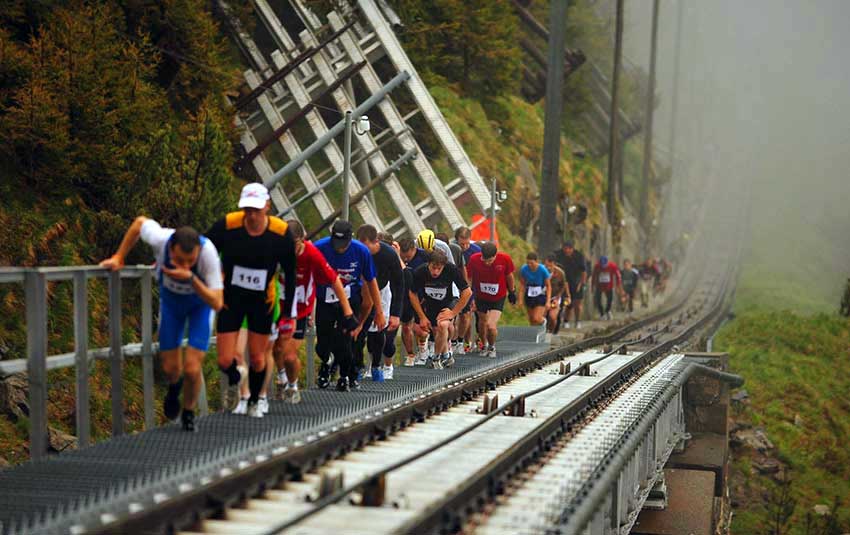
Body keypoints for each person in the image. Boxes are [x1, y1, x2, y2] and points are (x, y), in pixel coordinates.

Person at [100, 217, 223, 432]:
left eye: (190, 261)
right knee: (170, 367)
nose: (185, 266)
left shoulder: (207, 253)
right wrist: (119, 256)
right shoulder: (160, 238)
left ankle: (188, 412)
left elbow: (217, 301)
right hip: (172, 305)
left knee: (193, 368)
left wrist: (192, 279)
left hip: (200, 308)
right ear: (171, 247)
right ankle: (174, 387)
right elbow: (138, 223)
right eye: (179, 260)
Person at [205, 183, 297, 419]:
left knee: (257, 357)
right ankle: (241, 386)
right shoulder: (228, 225)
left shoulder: (280, 232)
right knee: (225, 359)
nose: (252, 215)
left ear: (267, 206)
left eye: (256, 209)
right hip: (231, 298)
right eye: (247, 209)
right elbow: (204, 250)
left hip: (261, 301)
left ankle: (255, 399)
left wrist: (288, 314)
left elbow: (289, 271)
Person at [270, 220, 355, 403]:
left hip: (300, 309)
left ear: (302, 240)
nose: (290, 250)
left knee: (290, 355)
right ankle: (282, 377)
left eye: (294, 245)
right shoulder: (276, 251)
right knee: (277, 349)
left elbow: (334, 280)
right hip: (279, 305)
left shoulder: (311, 253)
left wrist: (348, 312)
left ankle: (293, 386)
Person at [314, 220, 384, 391]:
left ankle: (346, 376)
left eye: (343, 245)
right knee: (322, 341)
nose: (340, 248)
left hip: (350, 300)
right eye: (337, 245)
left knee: (345, 340)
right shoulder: (320, 248)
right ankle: (327, 361)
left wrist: (379, 311)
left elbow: (371, 282)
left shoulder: (361, 252)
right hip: (326, 299)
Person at [355, 224, 404, 382]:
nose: (363, 250)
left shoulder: (388, 254)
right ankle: (357, 366)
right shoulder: (356, 251)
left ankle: (377, 365)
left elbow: (399, 283)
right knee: (358, 331)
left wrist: (396, 313)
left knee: (378, 331)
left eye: (366, 246)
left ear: (375, 241)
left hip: (382, 291)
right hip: (362, 290)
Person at [408, 250, 471, 368]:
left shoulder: (451, 269)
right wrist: (421, 316)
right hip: (431, 304)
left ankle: (436, 357)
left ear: (444, 266)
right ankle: (446, 354)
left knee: (443, 325)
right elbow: (412, 294)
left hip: (449, 302)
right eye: (433, 268)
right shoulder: (421, 272)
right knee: (439, 331)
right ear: (428, 264)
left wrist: (453, 312)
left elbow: (467, 292)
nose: (435, 272)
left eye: (439, 268)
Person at [466, 241, 517, 358]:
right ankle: (484, 345)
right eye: (485, 260)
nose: (487, 263)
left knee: (491, 325)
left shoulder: (504, 259)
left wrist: (512, 291)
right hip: (481, 296)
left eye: (490, 260)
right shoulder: (474, 259)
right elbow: (469, 277)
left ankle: (492, 346)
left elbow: (509, 276)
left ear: (495, 255)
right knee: (482, 322)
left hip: (498, 296)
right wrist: (469, 294)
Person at [399, 238, 430, 365]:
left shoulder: (424, 257)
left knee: (420, 329)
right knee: (406, 327)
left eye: (408, 256)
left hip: (420, 297)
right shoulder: (397, 257)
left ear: (414, 249)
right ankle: (410, 354)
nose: (406, 259)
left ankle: (423, 348)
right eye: (403, 256)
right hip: (404, 296)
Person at [453, 226, 481, 352]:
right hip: (453, 285)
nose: (464, 246)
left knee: (465, 315)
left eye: (466, 243)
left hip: (470, 286)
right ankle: (453, 342)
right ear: (456, 240)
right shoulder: (452, 248)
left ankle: (462, 341)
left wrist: (474, 294)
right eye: (461, 243)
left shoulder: (476, 251)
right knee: (453, 316)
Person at [552, 240, 587, 329]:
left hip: (576, 282)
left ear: (573, 249)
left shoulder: (579, 256)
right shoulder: (558, 255)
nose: (567, 251)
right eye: (565, 248)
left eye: (569, 249)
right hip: (562, 281)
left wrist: (582, 284)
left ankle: (577, 320)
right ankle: (564, 321)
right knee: (564, 302)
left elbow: (583, 272)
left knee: (577, 303)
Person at [519, 252, 551, 326]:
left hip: (540, 294)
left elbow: (548, 286)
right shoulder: (524, 269)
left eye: (532, 263)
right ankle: (535, 336)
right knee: (531, 319)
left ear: (537, 261)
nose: (530, 265)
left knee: (536, 318)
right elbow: (522, 284)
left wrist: (548, 301)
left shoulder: (543, 270)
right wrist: (520, 299)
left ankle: (543, 321)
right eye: (528, 263)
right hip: (529, 293)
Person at [544, 255, 570, 334]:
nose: (548, 268)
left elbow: (563, 285)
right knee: (542, 317)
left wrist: (559, 296)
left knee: (552, 317)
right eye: (546, 265)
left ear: (554, 264)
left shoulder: (560, 273)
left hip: (555, 297)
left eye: (550, 265)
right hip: (543, 297)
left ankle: (551, 333)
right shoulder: (542, 271)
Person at [591, 256, 622, 320]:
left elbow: (618, 276)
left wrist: (618, 286)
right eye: (602, 266)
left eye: (605, 265)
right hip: (599, 285)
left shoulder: (613, 266)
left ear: (607, 263)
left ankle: (608, 311)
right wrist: (592, 286)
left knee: (610, 299)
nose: (603, 267)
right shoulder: (597, 266)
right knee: (598, 300)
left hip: (609, 285)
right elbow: (593, 276)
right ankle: (602, 314)